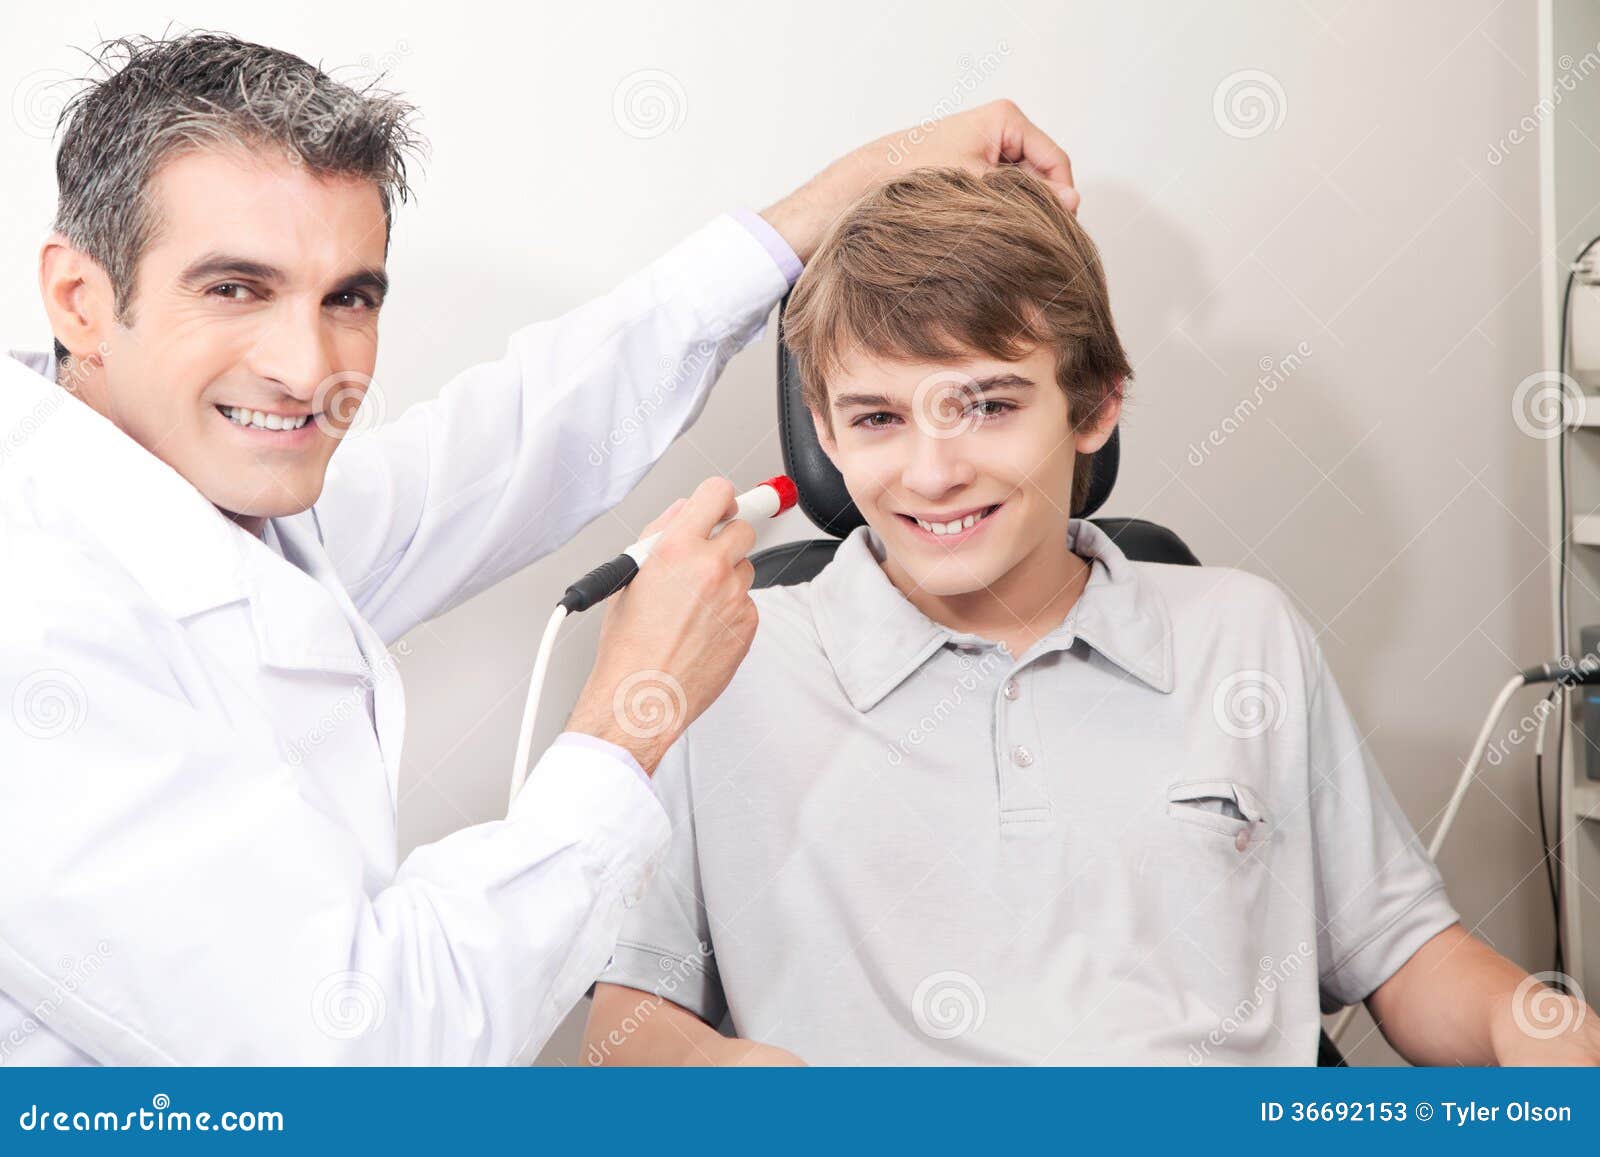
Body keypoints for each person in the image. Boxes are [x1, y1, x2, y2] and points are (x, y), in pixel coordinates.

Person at [0, 31, 1080, 1064]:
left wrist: (811, 213)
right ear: (80, 299)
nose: (303, 365)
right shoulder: (40, 629)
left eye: (350, 297)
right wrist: (628, 714)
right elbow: (361, 1062)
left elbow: (511, 441)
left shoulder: (208, 492)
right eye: (234, 288)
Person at [585, 167, 1600, 1065]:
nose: (934, 472)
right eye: (879, 417)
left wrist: (1532, 1026)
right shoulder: (730, 661)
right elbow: (626, 1022)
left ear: (1094, 406)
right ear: (823, 431)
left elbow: (1399, 951)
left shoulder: (1241, 633)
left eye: (988, 404)